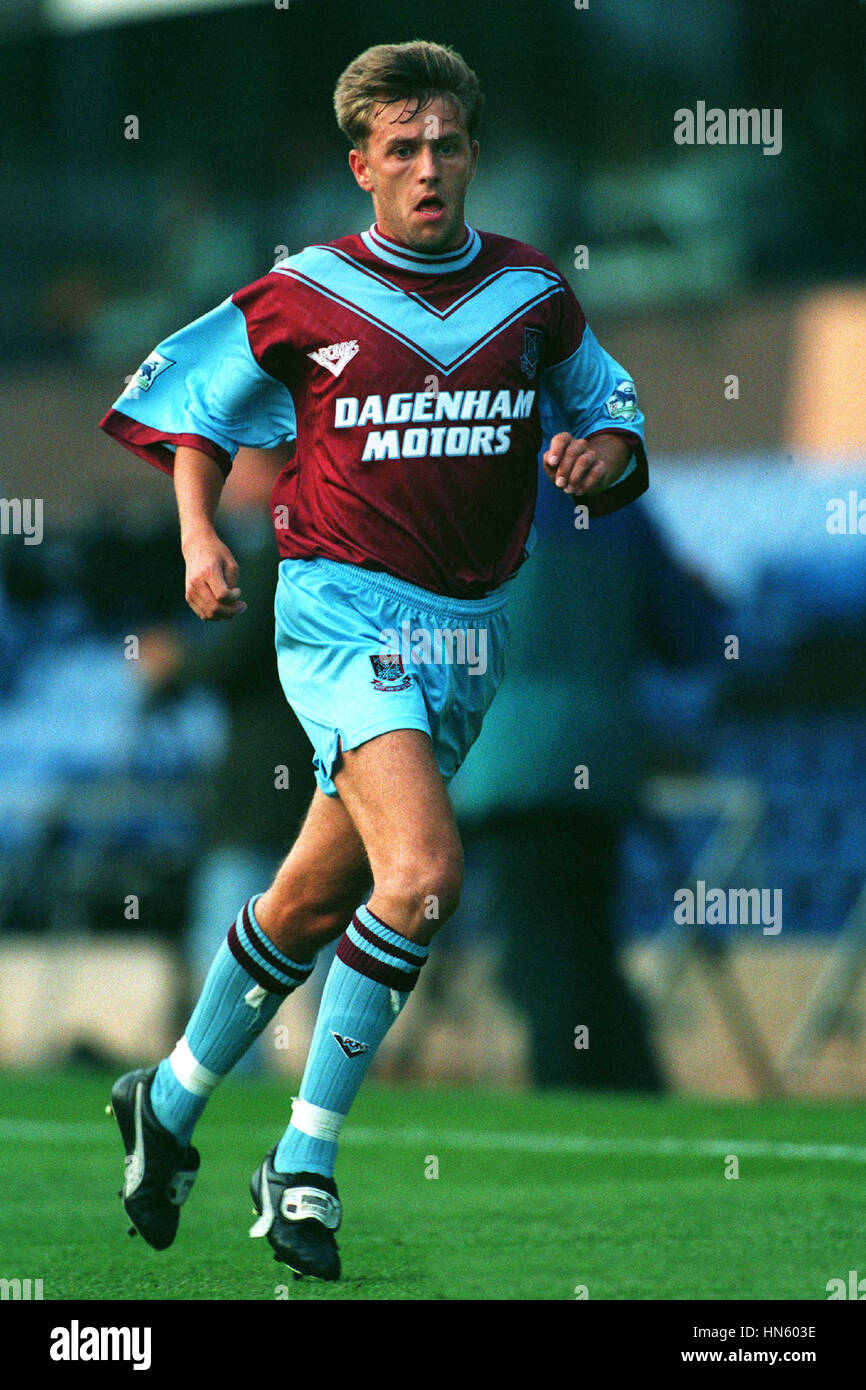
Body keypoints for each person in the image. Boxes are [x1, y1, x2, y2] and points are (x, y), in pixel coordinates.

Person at [99, 39, 649, 1282]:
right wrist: (196, 537)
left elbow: (611, 412)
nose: (428, 167)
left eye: (447, 144)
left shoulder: (531, 296)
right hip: (340, 616)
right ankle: (300, 1163)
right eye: (401, 148)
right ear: (362, 166)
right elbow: (189, 401)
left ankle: (167, 1102)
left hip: (467, 639)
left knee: (308, 900)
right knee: (425, 871)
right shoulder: (307, 293)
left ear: (471, 154)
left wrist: (597, 459)